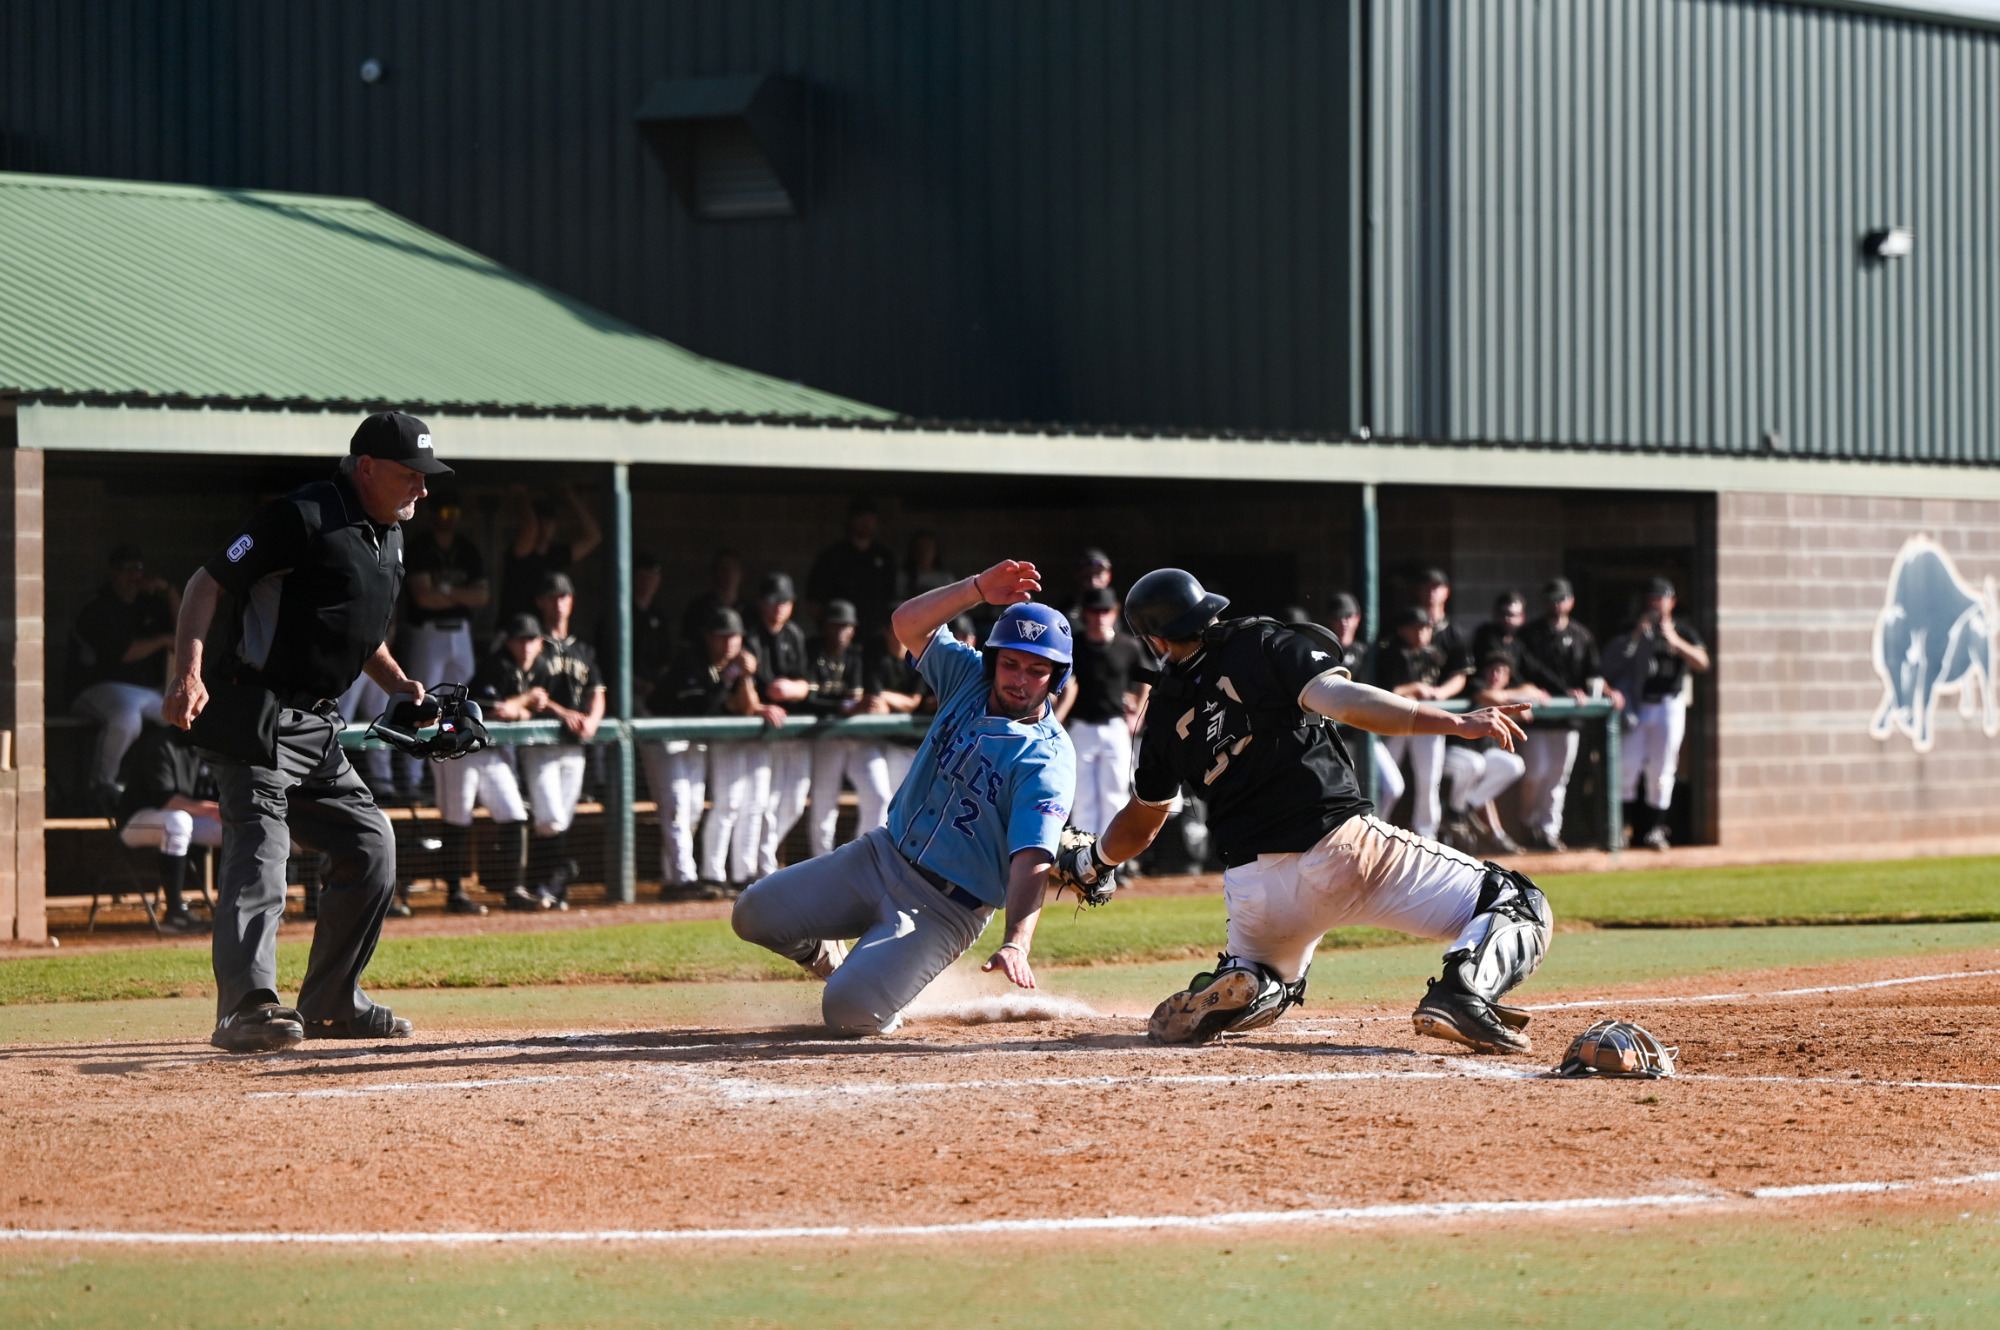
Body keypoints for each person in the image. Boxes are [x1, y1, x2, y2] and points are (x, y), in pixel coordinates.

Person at [1063, 568, 1552, 1055]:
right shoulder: (1259, 641)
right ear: (1203, 611)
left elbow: (1143, 823)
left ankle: (1252, 979)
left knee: (1274, 979)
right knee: (1517, 900)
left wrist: (1095, 863)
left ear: (1152, 638)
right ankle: (1464, 992)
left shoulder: (1163, 712)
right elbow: (1347, 701)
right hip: (1341, 848)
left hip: (1253, 889)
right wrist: (1456, 722)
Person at [165, 410, 447, 1052]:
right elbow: (205, 583)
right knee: (261, 847)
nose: (423, 490)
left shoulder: (388, 534)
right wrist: (189, 672)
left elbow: (356, 627)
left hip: (319, 724)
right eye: (411, 475)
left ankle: (330, 1002)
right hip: (256, 712)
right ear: (366, 467)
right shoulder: (300, 515)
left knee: (370, 843)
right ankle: (245, 1007)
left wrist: (399, 684)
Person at [732, 560, 1075, 1037]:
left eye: (1037, 670)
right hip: (880, 855)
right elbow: (906, 624)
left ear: (1056, 677)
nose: (1019, 679)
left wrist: (1017, 940)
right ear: (994, 659)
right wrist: (976, 589)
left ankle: (878, 994)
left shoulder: (1047, 757)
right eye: (1011, 663)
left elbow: (1033, 856)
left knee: (847, 1011)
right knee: (753, 914)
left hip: (946, 908)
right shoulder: (969, 678)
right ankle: (826, 956)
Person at [645, 605, 759, 898]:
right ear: (708, 637)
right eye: (722, 636)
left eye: (734, 637)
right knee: (676, 807)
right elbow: (703, 708)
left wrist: (742, 678)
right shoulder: (690, 660)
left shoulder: (726, 667)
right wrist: (731, 676)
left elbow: (741, 708)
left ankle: (674, 879)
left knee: (693, 808)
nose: (729, 643)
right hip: (662, 737)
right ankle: (683, 879)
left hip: (693, 741)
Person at [444, 612, 550, 914]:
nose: (526, 645)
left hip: (490, 750)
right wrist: (525, 702)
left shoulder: (538, 668)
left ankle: (513, 888)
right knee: (458, 816)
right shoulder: (497, 665)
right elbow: (492, 711)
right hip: (460, 745)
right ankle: (454, 894)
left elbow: (525, 712)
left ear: (540, 644)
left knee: (514, 814)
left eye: (531, 639)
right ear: (509, 642)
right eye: (520, 639)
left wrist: (521, 709)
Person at [395, 486, 489, 795]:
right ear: (433, 515)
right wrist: (459, 596)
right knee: (423, 702)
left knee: (457, 704)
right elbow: (423, 598)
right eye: (444, 513)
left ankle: (445, 772)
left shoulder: (467, 548)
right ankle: (411, 779)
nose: (449, 520)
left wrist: (445, 592)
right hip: (428, 633)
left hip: (459, 632)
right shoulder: (421, 547)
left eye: (455, 514)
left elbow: (482, 596)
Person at [520, 572, 606, 905]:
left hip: (574, 747)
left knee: (561, 820)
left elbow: (597, 691)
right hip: (541, 742)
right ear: (541, 602)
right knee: (549, 818)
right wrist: (563, 712)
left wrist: (593, 720)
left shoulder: (583, 648)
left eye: (565, 596)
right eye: (553, 597)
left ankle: (549, 889)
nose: (560, 603)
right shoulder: (532, 642)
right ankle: (552, 878)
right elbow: (531, 693)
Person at [67, 543, 179, 794]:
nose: (132, 576)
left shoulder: (150, 605)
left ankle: (171, 787)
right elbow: (124, 653)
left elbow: (185, 630)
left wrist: (169, 590)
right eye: (124, 569)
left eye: (137, 569)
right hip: (96, 689)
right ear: (112, 572)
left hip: (149, 692)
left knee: (183, 716)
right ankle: (101, 785)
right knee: (126, 718)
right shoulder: (98, 606)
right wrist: (162, 640)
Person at [1611, 577, 1710, 851]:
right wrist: (1635, 635)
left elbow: (1703, 662)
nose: (1656, 603)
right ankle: (1622, 829)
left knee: (1662, 769)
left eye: (1661, 598)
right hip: (1639, 704)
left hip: (1669, 703)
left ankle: (1655, 829)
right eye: (1652, 598)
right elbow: (1612, 663)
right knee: (1627, 767)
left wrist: (1674, 640)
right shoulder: (1634, 629)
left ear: (1671, 601)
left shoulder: (1683, 631)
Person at [1517, 577, 1611, 851]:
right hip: (1537, 718)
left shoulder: (1581, 635)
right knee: (1534, 772)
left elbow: (1593, 673)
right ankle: (1527, 822)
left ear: (1570, 602)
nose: (1556, 604)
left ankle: (1548, 831)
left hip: (1568, 718)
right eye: (1551, 599)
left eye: (1561, 599)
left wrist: (1605, 690)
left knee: (1558, 777)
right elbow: (1525, 669)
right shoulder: (1530, 634)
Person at [1053, 585, 1146, 836]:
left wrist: (1138, 713)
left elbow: (1146, 679)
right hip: (1080, 727)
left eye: (1105, 611)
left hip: (1116, 727)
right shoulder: (1073, 646)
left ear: (1114, 613)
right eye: (1094, 611)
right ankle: (1084, 859)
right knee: (1082, 797)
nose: (1099, 617)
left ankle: (1114, 862)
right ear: (1085, 613)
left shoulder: (1128, 646)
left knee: (1116, 795)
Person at [114, 723, 220, 933]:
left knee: (238, 826)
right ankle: (174, 913)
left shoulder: (206, 745)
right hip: (137, 820)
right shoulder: (160, 743)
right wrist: (211, 809)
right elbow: (166, 800)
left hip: (185, 817)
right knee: (178, 821)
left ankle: (237, 908)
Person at [1373, 607, 1462, 837]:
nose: (1421, 632)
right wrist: (1414, 689)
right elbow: (1387, 692)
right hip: (1394, 722)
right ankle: (1376, 828)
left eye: (1425, 628)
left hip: (1426, 722)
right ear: (1403, 630)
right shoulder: (1392, 653)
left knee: (1430, 779)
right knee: (1386, 783)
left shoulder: (1433, 653)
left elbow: (1457, 678)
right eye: (1416, 628)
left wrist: (1438, 692)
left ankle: (1426, 833)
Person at [748, 572, 813, 879]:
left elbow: (806, 683)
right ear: (762, 603)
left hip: (794, 728)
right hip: (762, 731)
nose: (778, 608)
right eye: (773, 602)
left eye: (784, 602)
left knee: (796, 800)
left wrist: (794, 689)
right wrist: (761, 703)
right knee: (765, 800)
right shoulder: (751, 637)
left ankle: (767, 855)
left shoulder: (795, 635)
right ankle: (761, 866)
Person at [1441, 652, 1537, 854]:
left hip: (1479, 755)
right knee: (1474, 764)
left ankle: (1464, 808)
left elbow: (1532, 689)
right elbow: (1487, 696)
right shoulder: (1475, 685)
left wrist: (1515, 696)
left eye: (1502, 672)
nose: (1495, 675)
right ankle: (1456, 812)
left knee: (1513, 765)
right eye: (1492, 670)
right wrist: (1514, 701)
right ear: (1484, 672)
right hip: (1453, 751)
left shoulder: (1508, 690)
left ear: (1508, 677)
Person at [802, 600, 873, 857]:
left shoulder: (855, 653)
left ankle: (859, 859)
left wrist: (843, 705)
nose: (841, 631)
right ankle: (820, 862)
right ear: (825, 627)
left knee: (878, 794)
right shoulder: (812, 649)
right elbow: (807, 700)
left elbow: (855, 699)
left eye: (847, 626)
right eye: (835, 625)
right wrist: (841, 706)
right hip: (824, 736)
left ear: (853, 629)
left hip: (854, 738)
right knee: (824, 802)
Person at [500, 483, 601, 619]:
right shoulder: (520, 553)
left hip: (544, 633)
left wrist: (572, 498)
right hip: (516, 631)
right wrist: (521, 495)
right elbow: (531, 528)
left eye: (549, 521)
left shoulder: (556, 555)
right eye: (540, 520)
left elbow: (593, 537)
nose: (544, 526)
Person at [806, 497, 898, 633]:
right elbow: (814, 602)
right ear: (850, 520)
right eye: (860, 517)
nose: (865, 523)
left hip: (876, 635)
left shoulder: (884, 557)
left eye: (870, 518)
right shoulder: (833, 556)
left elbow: (892, 598)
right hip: (841, 636)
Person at [679, 549, 745, 646]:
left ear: (741, 574)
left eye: (733, 568)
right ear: (715, 573)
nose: (728, 574)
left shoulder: (749, 610)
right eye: (723, 569)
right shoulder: (699, 609)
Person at [899, 530, 955, 599]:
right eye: (919, 548)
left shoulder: (945, 579)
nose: (923, 553)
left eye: (928, 548)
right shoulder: (902, 578)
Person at [1064, 548, 1115, 622]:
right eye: (1087, 576)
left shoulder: (1119, 608)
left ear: (1109, 576)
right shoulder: (1065, 613)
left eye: (1098, 574)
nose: (1093, 581)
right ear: (1077, 575)